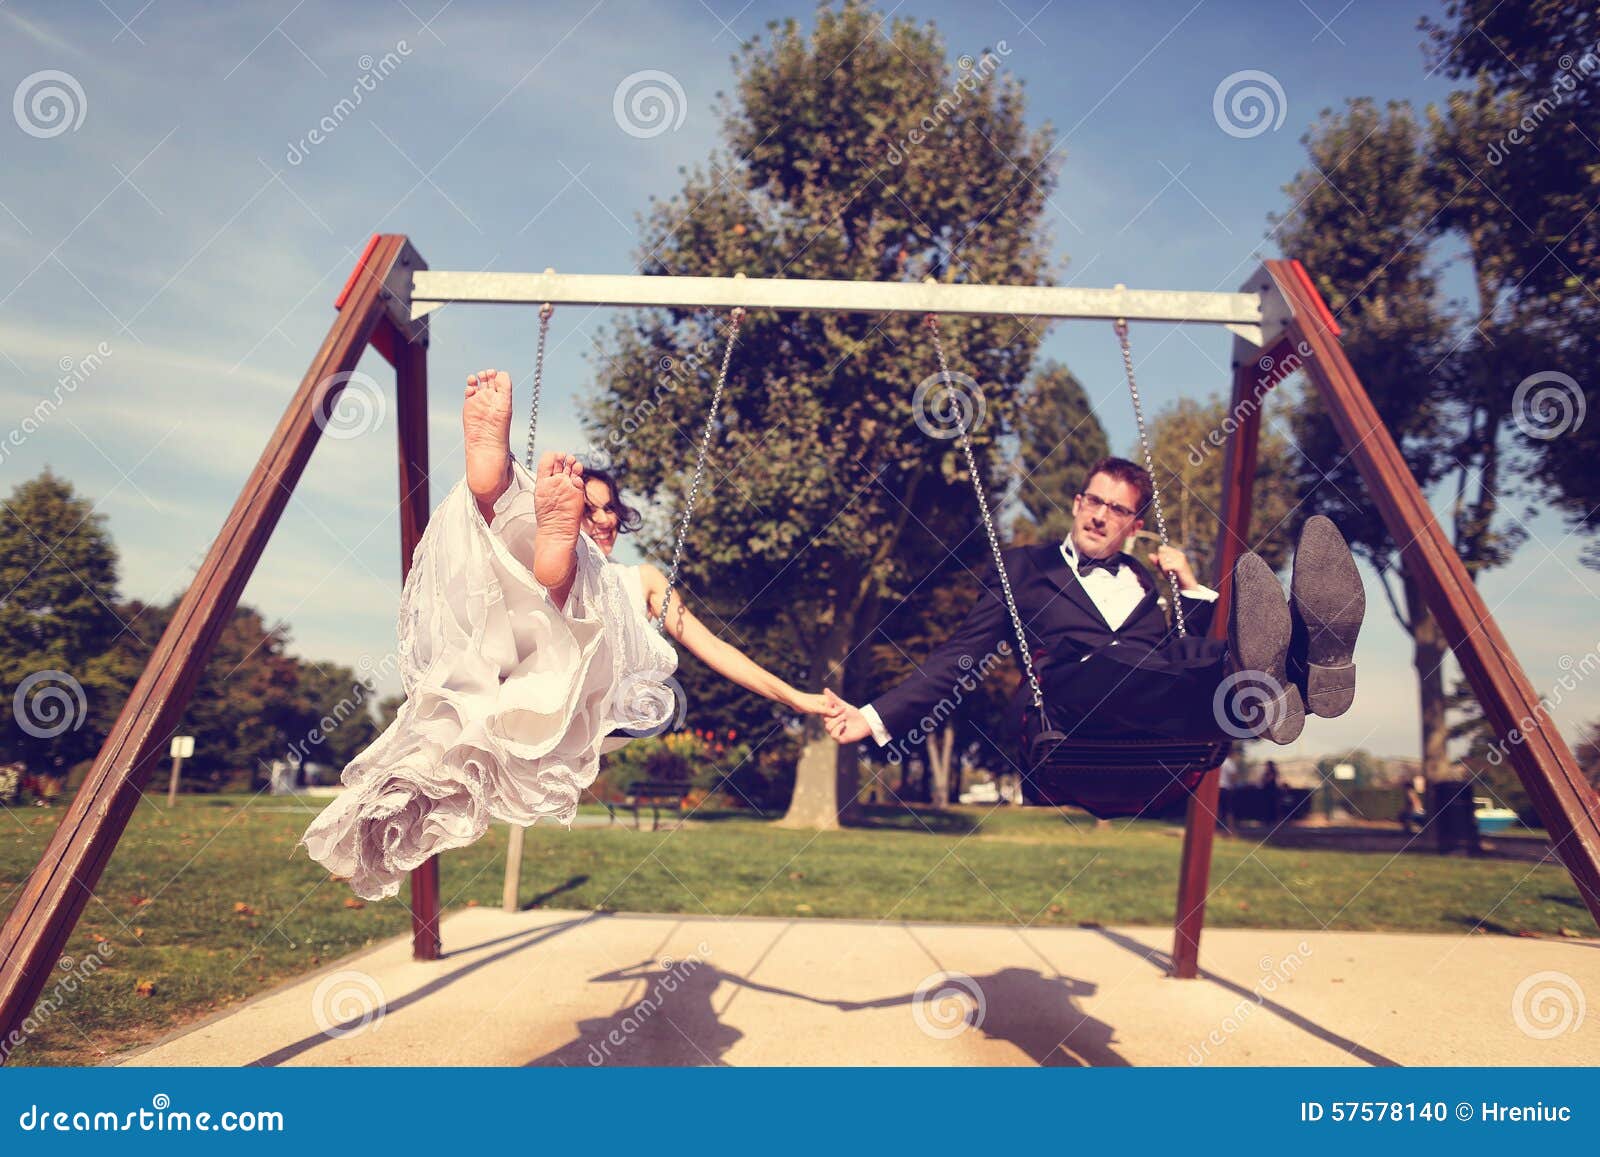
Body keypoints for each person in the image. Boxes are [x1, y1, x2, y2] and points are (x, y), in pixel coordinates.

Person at [304, 368, 827, 899]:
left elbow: (710, 646)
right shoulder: (554, 566)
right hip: (528, 686)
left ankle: (512, 513)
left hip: (612, 696)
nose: (599, 518)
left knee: (564, 579)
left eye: (607, 510)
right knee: (453, 732)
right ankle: (493, 492)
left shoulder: (640, 579)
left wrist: (795, 697)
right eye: (587, 508)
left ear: (619, 519)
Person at [822, 457, 1366, 775]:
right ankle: (1274, 682)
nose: (1101, 517)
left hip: (1151, 716)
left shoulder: (1147, 580)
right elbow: (959, 656)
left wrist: (1193, 587)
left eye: (1119, 510)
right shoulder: (1023, 567)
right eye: (1095, 502)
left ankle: (1312, 662)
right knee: (1124, 665)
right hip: (1067, 710)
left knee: (1192, 660)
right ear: (1079, 502)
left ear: (1135, 524)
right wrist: (873, 717)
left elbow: (1196, 650)